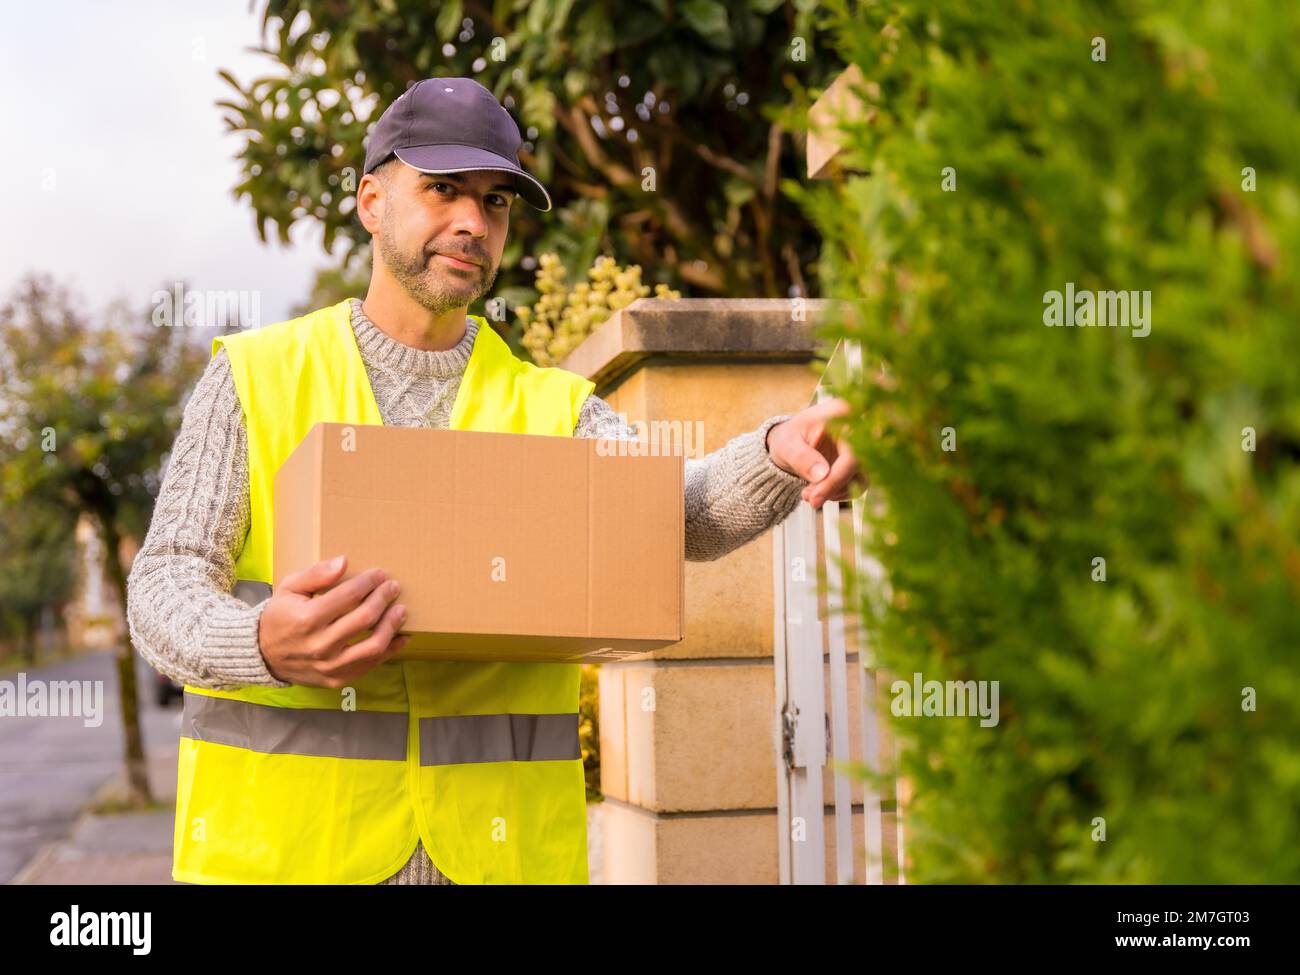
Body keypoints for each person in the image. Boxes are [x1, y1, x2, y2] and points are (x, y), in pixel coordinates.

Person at [125, 76, 861, 885]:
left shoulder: (553, 406)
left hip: (498, 862)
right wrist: (259, 641)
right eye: (443, 190)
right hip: (290, 858)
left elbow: (671, 514)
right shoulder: (254, 379)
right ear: (372, 201)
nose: (473, 222)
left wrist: (777, 449)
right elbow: (163, 585)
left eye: (497, 201)